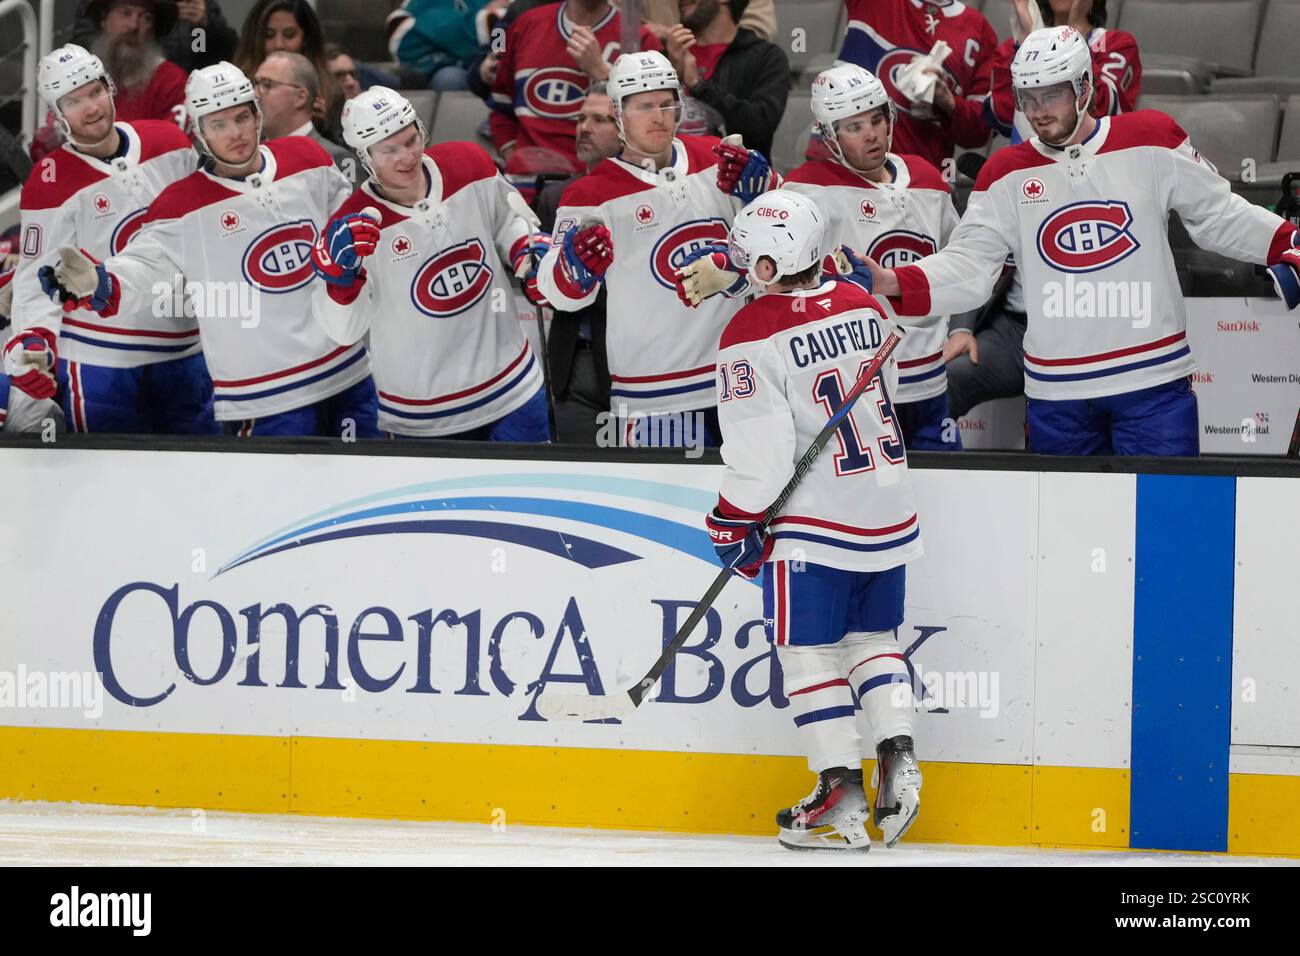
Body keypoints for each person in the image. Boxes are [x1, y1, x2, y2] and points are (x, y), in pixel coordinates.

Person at [865, 27, 1300, 456]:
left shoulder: (1150, 138)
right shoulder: (1005, 172)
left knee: (1165, 521)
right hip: (1058, 396)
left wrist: (1285, 240)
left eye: (1051, 94)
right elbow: (971, 265)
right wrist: (893, 281)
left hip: (1151, 385)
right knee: (1065, 528)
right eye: (1027, 98)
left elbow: (1219, 214)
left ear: (1084, 87)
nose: (1037, 111)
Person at [707, 190, 923, 851]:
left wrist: (729, 519)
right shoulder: (861, 303)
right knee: (871, 638)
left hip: (817, 519)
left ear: (773, 261)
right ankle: (900, 758)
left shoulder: (749, 332)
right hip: (885, 505)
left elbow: (761, 456)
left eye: (749, 254)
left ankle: (840, 792)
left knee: (807, 652)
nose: (741, 263)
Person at [36, 62, 378, 438]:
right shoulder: (181, 206)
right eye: (218, 124)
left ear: (257, 114)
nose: (236, 134)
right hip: (267, 395)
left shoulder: (307, 160)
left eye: (242, 117)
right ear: (199, 132)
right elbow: (147, 270)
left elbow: (354, 231)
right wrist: (100, 281)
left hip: (350, 372)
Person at [309, 88, 551, 441]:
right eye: (389, 150)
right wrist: (341, 284)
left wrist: (528, 255)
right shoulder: (351, 228)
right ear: (364, 157)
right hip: (422, 415)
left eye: (411, 140)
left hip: (513, 388)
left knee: (534, 494)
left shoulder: (468, 163)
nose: (407, 157)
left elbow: (509, 220)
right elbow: (344, 331)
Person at [537, 50, 746, 448]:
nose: (659, 116)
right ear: (619, 114)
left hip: (737, 379)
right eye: (644, 106)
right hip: (652, 393)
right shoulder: (588, 194)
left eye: (667, 102)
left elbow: (785, 244)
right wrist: (573, 268)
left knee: (751, 501)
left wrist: (763, 193)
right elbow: (556, 293)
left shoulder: (716, 157)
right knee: (667, 505)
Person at [6, 44, 212, 435]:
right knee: (106, 484)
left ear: (110, 87)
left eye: (95, 91)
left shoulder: (168, 142)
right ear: (57, 114)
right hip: (100, 361)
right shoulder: (49, 181)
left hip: (184, 350)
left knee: (200, 483)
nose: (91, 107)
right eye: (73, 101)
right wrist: (36, 341)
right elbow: (37, 280)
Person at [780, 64, 963, 450]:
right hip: (859, 391)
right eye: (853, 126)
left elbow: (965, 262)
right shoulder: (806, 189)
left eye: (876, 119)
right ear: (829, 135)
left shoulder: (928, 179)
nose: (871, 134)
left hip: (931, 386)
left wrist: (964, 326)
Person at [490, 0, 659, 193]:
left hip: (598, 189)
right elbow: (501, 107)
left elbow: (653, 123)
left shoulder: (639, 39)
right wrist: (511, 153)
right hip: (523, 186)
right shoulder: (525, 25)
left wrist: (602, 73)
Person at [535, 84, 623, 443]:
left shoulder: (652, 198)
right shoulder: (557, 197)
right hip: (571, 364)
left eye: (599, 120)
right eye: (581, 118)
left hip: (633, 364)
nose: (583, 127)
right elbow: (547, 290)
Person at [832, 0, 997, 169]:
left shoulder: (979, 29)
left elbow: (980, 132)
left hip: (921, 179)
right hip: (842, 167)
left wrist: (949, 102)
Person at [661, 0, 789, 157]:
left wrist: (698, 85)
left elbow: (759, 126)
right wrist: (670, 73)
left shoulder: (767, 58)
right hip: (669, 175)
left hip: (735, 176)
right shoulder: (664, 58)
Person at [234, 0, 332, 122]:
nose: (279, 44)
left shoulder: (332, 90)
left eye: (289, 34)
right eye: (268, 35)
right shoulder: (235, 89)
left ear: (306, 38)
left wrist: (319, 127)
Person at [74, 0, 238, 72]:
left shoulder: (195, 4)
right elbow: (82, 42)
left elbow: (201, 53)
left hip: (175, 89)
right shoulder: (105, 9)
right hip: (114, 81)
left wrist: (202, 26)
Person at [255, 52, 353, 169]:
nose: (256, 94)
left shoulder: (337, 160)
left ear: (300, 97)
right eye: (256, 84)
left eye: (266, 85)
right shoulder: (249, 159)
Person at [385, 0, 502, 91]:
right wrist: (480, 21)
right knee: (449, 78)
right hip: (439, 71)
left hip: (492, 65)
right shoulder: (416, 3)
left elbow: (502, 27)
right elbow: (400, 33)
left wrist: (431, 30)